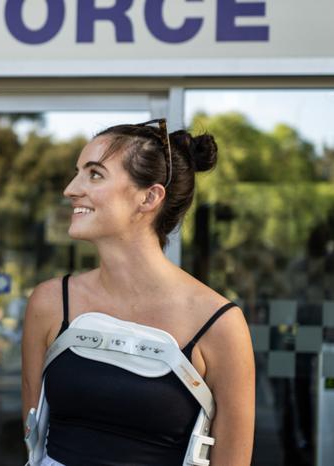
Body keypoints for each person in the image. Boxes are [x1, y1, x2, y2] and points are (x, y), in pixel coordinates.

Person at [21, 119, 255, 465]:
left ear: (149, 197)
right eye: (77, 172)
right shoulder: (50, 303)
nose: (71, 189)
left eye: (94, 174)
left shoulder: (219, 324)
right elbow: (32, 437)